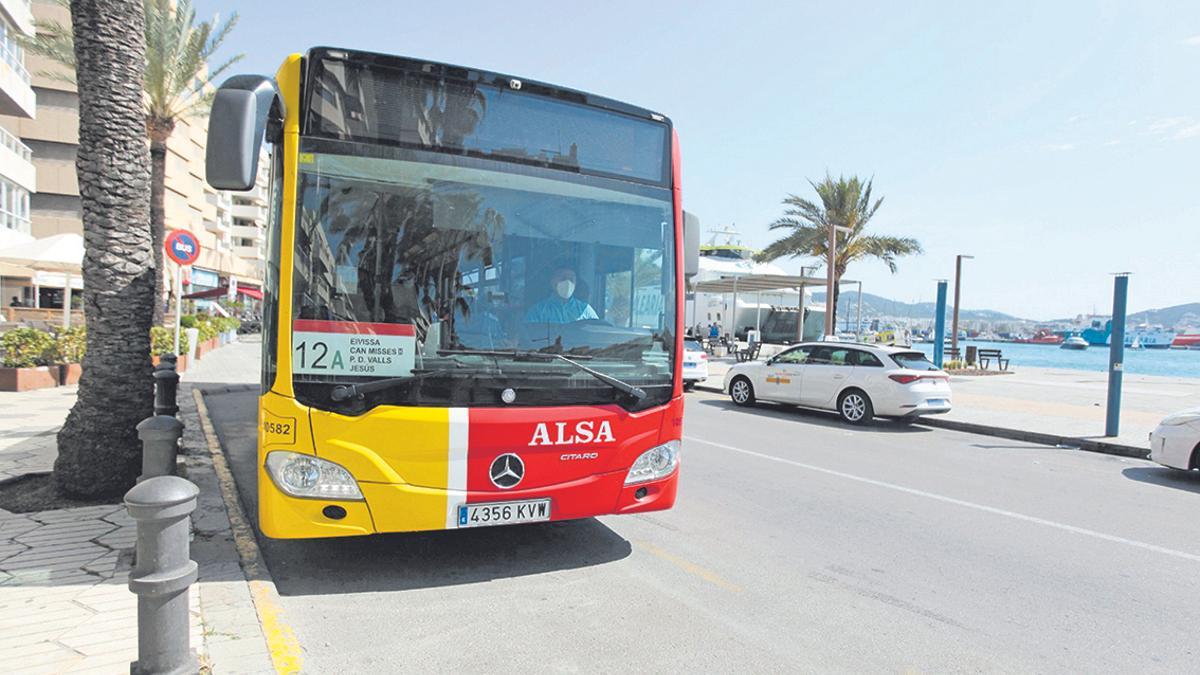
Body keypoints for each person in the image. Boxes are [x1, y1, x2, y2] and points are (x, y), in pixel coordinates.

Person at [524, 266, 599, 324]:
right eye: (563, 278)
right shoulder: (538, 311)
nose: (568, 283)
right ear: (552, 282)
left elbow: (598, 335)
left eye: (571, 279)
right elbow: (528, 338)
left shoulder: (586, 310)